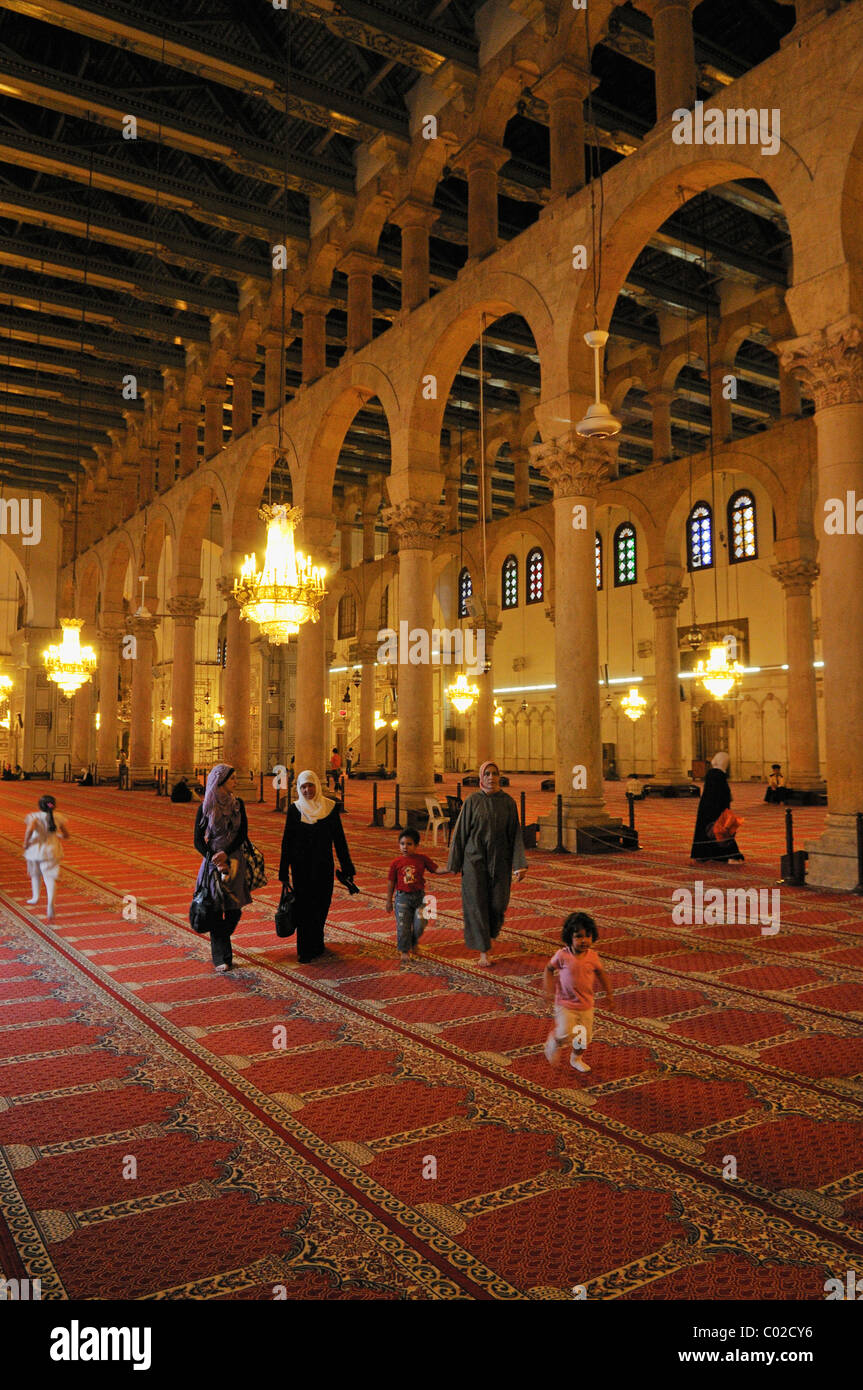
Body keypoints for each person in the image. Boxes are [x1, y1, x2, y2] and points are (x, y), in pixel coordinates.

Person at [446, 760, 527, 966]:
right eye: (487, 774)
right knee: (477, 905)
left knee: (498, 903)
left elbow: (515, 834)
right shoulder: (472, 801)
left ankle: (488, 933)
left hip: (501, 861)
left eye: (495, 774)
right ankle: (484, 951)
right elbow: (460, 833)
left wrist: (519, 864)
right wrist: (454, 863)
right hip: (474, 861)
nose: (491, 777)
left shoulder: (508, 802)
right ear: (481, 778)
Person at [278, 769, 356, 964]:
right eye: (303, 786)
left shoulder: (329, 808)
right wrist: (283, 870)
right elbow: (287, 841)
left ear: (317, 786)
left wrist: (347, 867)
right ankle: (304, 950)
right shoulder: (295, 809)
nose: (307, 790)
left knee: (322, 904)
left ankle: (317, 942)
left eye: (310, 785)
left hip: (323, 865)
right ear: (298, 788)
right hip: (300, 867)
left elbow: (339, 840)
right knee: (304, 907)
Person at [193, 764, 251, 973]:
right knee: (216, 909)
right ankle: (221, 957)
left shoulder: (238, 804)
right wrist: (214, 858)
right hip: (213, 865)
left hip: (234, 861)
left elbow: (243, 833)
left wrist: (227, 853)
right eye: (232, 778)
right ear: (221, 781)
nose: (235, 781)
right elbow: (198, 840)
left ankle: (221, 940)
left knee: (234, 910)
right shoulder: (206, 806)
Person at [542, 913, 614, 1074]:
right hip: (565, 1003)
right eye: (579, 936)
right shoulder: (562, 955)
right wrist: (548, 990)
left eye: (588, 936)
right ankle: (554, 1041)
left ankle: (576, 1059)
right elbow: (548, 969)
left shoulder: (593, 957)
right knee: (565, 1031)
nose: (584, 940)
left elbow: (601, 974)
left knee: (583, 1037)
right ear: (570, 937)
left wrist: (609, 994)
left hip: (586, 1005)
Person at [385, 828, 448, 967]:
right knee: (403, 926)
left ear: (416, 845)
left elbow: (436, 869)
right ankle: (404, 950)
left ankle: (414, 941)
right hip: (402, 898)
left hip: (419, 897)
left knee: (420, 924)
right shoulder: (396, 863)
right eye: (402, 844)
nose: (405, 847)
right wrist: (389, 900)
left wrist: (450, 868)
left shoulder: (422, 859)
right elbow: (391, 882)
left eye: (409, 844)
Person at [690, 750, 744, 862]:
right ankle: (727, 855)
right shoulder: (719, 775)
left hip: (705, 808)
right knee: (721, 832)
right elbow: (723, 794)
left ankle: (702, 854)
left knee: (706, 831)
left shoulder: (710, 774)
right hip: (717, 808)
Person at [23, 794, 69, 921]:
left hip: (35, 850)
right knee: (49, 879)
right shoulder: (58, 817)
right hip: (52, 850)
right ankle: (50, 904)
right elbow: (66, 835)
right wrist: (58, 836)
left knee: (35, 874)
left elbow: (30, 830)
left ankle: (35, 897)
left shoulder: (34, 816)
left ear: (39, 805)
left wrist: (26, 843)